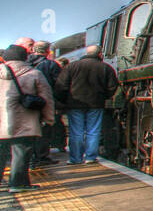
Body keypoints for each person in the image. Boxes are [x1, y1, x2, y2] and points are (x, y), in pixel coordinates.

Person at [2, 44, 55, 191]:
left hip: (1, 123)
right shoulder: (35, 73)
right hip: (25, 122)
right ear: (25, 58)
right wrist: (49, 119)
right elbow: (47, 99)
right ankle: (18, 184)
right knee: (21, 152)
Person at [54, 44, 119, 164]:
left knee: (76, 132)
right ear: (100, 54)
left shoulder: (71, 66)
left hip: (74, 104)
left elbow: (61, 86)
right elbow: (112, 86)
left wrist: (64, 100)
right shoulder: (106, 67)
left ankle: (75, 158)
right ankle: (90, 157)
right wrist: (103, 97)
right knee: (93, 131)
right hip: (96, 104)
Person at [27, 42, 60, 163]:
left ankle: (30, 156)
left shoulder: (25, 63)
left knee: (30, 127)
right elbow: (58, 84)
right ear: (47, 51)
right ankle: (42, 155)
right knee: (45, 129)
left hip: (28, 101)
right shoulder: (51, 64)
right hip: (45, 100)